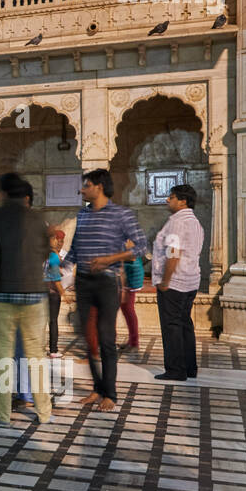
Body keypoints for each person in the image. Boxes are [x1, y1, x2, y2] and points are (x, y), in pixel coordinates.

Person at [62, 169, 149, 412]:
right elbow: (75, 251)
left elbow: (142, 247)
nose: (81, 190)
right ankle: (97, 389)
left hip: (107, 282)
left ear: (99, 187)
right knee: (88, 338)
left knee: (107, 338)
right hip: (84, 282)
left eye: (86, 185)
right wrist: (57, 271)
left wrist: (111, 258)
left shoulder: (121, 214)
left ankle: (109, 393)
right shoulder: (83, 215)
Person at [0, 174, 52, 426]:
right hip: (35, 295)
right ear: (26, 196)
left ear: (3, 193)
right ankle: (44, 412)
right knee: (36, 357)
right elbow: (46, 252)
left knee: (2, 357)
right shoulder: (37, 219)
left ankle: (3, 414)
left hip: (2, 295)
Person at [152, 185, 205, 382]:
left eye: (172, 197)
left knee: (172, 325)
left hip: (174, 282)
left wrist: (165, 280)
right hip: (190, 280)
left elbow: (173, 252)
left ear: (183, 201)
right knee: (184, 324)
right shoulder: (194, 222)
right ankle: (189, 367)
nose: (168, 200)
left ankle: (175, 369)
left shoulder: (177, 222)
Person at [45, 228, 68, 358]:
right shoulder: (53, 256)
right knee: (53, 321)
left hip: (42, 290)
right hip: (53, 292)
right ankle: (53, 350)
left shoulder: (42, 253)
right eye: (56, 240)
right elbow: (56, 277)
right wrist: (63, 293)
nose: (58, 243)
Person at [118, 243, 144, 353]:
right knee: (127, 311)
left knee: (129, 311)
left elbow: (132, 255)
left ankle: (134, 343)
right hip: (129, 278)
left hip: (131, 280)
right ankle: (132, 341)